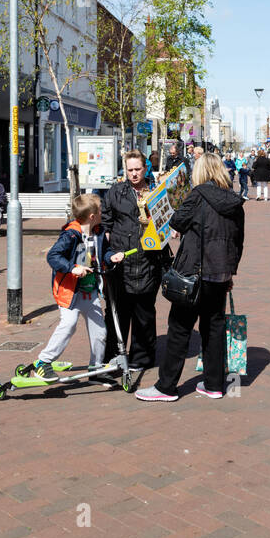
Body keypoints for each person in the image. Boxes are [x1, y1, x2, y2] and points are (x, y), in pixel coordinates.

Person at [136, 153, 245, 402]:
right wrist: (230, 271)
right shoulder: (234, 200)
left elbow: (178, 221)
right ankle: (214, 384)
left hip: (194, 272)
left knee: (179, 328)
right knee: (214, 327)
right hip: (219, 274)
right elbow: (239, 241)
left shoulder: (197, 195)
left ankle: (166, 387)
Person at [30, 194, 125, 381]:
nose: (102, 213)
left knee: (100, 332)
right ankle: (43, 362)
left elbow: (104, 252)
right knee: (68, 325)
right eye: (100, 210)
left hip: (90, 292)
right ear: (92, 215)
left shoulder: (98, 232)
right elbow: (53, 257)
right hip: (69, 292)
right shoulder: (71, 234)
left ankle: (96, 369)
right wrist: (73, 268)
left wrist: (110, 257)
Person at [101, 150, 168, 374]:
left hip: (149, 260)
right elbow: (106, 219)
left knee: (144, 312)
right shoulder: (116, 191)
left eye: (137, 169)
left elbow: (168, 218)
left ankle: (142, 357)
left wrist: (169, 231)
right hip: (122, 261)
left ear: (145, 168)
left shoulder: (156, 191)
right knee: (117, 312)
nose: (133, 174)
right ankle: (113, 356)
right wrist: (109, 244)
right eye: (129, 170)